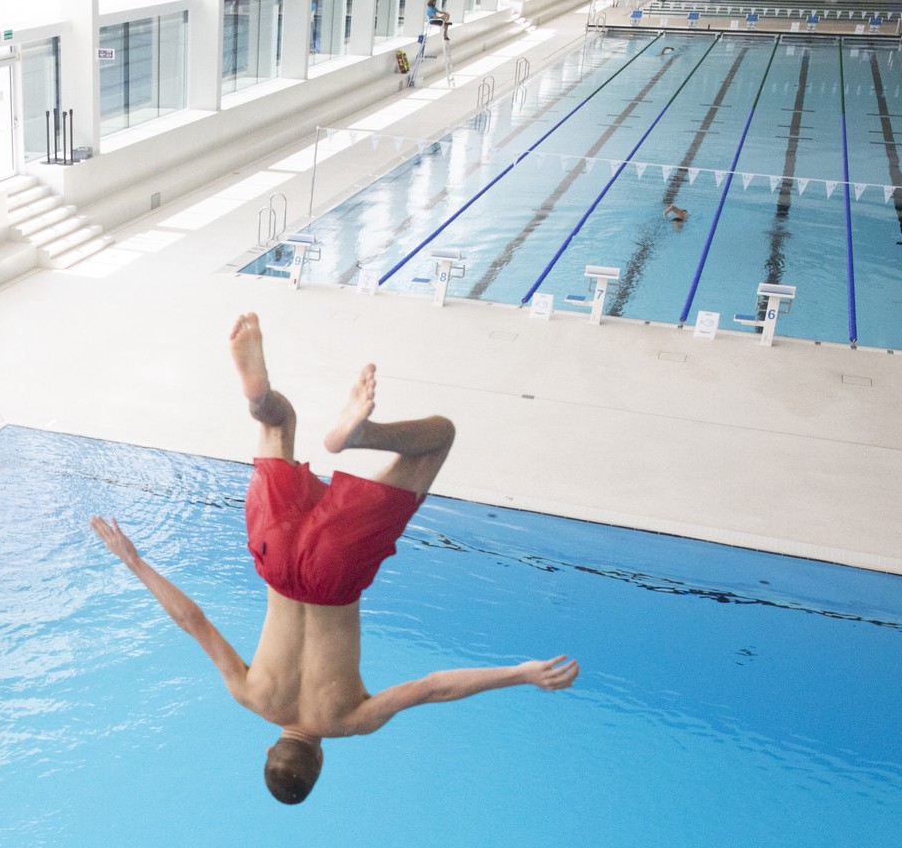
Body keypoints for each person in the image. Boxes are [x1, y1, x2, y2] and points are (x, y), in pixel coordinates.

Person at [90, 315, 579, 806]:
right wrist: (134, 561)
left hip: (336, 574)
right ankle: (259, 399)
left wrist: (521, 673)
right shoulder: (250, 695)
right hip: (277, 564)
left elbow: (434, 688)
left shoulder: (350, 721)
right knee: (278, 421)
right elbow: (192, 621)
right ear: (269, 749)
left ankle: (364, 434)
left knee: (439, 437)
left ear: (320, 762)